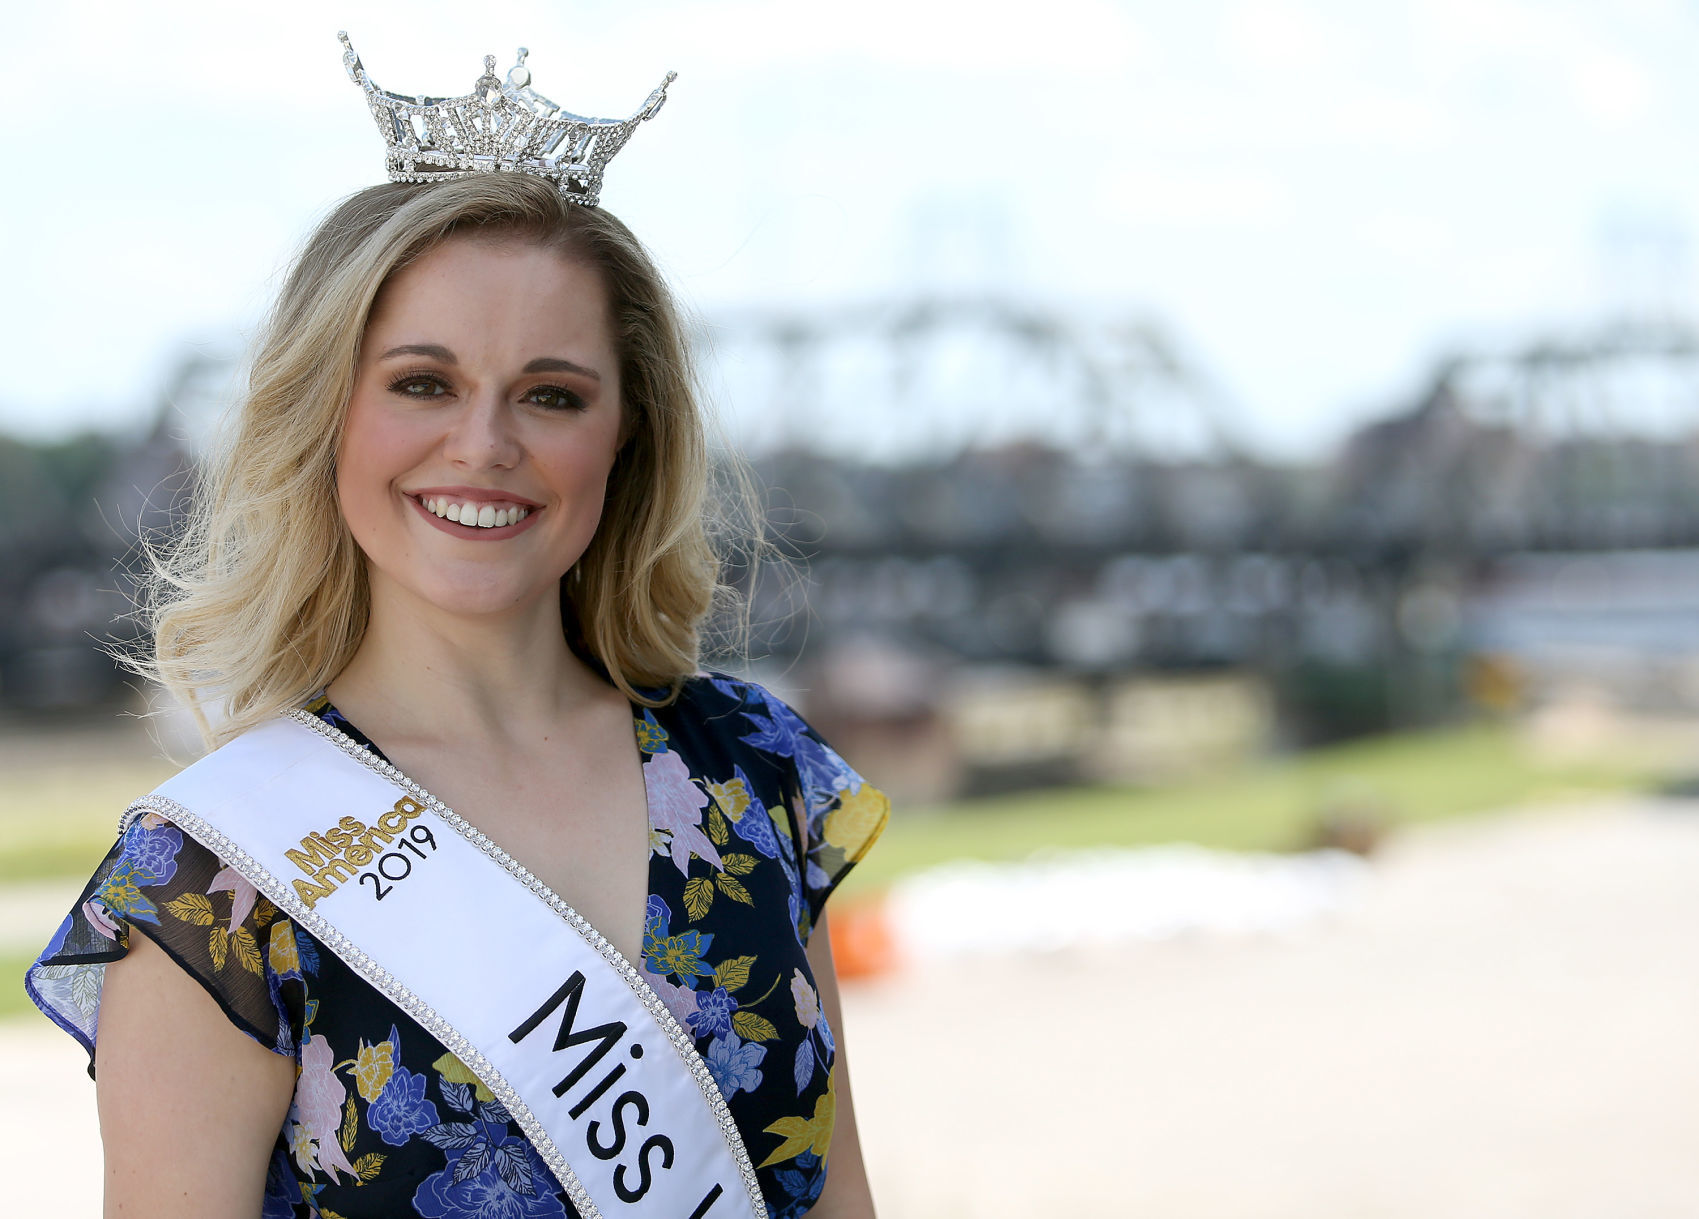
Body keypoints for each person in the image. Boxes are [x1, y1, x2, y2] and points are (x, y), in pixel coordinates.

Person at [26, 36, 886, 1219]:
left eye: (551, 394)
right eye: (422, 382)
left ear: (626, 432)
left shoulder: (750, 770)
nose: (484, 445)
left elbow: (836, 1192)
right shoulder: (217, 876)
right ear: (327, 414)